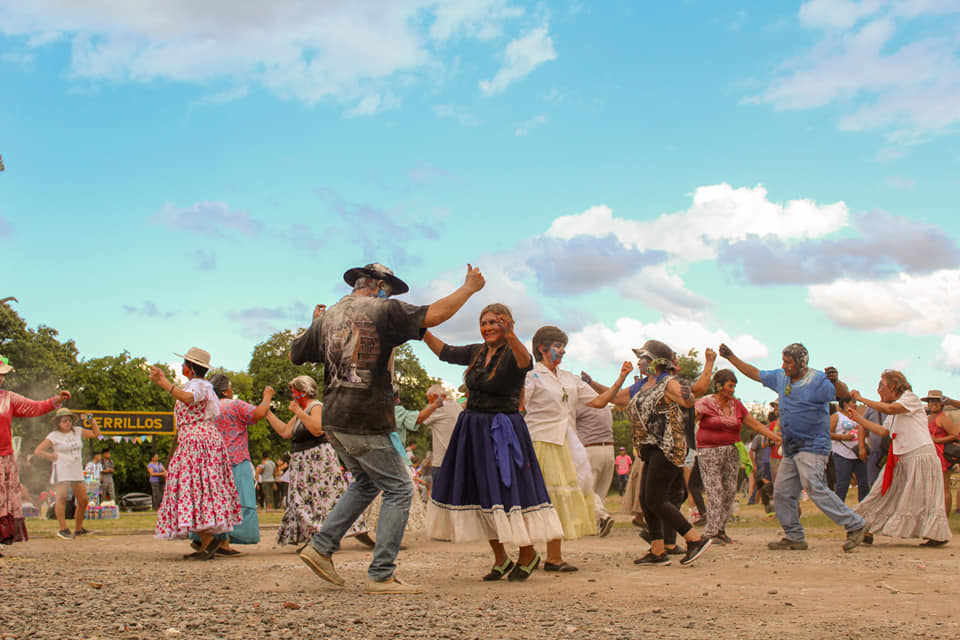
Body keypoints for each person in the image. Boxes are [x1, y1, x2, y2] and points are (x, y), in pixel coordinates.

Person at [290, 262, 484, 594]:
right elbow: (433, 315)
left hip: (334, 417)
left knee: (366, 483)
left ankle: (321, 547)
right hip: (365, 415)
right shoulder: (383, 309)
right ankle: (381, 573)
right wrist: (468, 288)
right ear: (379, 286)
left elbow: (296, 353)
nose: (389, 295)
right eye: (388, 289)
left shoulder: (330, 316)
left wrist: (316, 326)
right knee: (400, 489)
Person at [424, 304, 565, 581]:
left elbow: (526, 362)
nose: (489, 327)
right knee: (479, 492)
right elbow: (446, 352)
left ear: (508, 324)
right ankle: (500, 558)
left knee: (507, 491)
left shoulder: (514, 351)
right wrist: (421, 329)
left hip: (503, 430)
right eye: (484, 322)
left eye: (495, 322)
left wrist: (511, 334)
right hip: (472, 430)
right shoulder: (477, 351)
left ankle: (527, 552)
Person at [719, 342, 866, 552]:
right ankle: (794, 536)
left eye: (788, 362)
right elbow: (755, 373)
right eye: (783, 361)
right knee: (782, 492)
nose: (784, 365)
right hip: (791, 447)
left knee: (815, 488)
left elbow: (842, 394)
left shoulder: (818, 381)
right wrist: (731, 357)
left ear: (801, 362)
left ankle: (855, 524)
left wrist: (836, 380)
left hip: (813, 446)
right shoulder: (781, 378)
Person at [521, 326, 632, 570]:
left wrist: (620, 379)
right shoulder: (531, 376)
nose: (562, 351)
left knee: (562, 495)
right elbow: (520, 405)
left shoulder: (569, 378)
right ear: (542, 348)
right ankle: (526, 553)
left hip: (565, 442)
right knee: (536, 496)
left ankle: (554, 556)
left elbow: (599, 401)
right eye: (557, 345)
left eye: (563, 346)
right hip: (539, 440)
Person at [603, 340, 714, 567]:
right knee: (646, 499)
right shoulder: (645, 385)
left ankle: (694, 539)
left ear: (654, 361)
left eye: (642, 358)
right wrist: (589, 384)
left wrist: (706, 369)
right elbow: (616, 398)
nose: (638, 362)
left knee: (658, 498)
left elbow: (692, 395)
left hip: (668, 446)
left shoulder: (668, 382)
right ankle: (657, 551)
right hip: (651, 447)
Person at [148, 347, 241, 560]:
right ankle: (207, 542)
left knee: (191, 487)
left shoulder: (198, 386)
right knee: (198, 488)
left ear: (189, 368)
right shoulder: (201, 386)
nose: (182, 367)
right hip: (200, 439)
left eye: (184, 364)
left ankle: (210, 540)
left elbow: (189, 399)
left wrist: (163, 382)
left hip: (197, 441)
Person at [266, 375, 374, 549]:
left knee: (321, 497)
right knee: (304, 498)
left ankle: (322, 537)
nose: (293, 395)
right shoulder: (303, 410)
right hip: (302, 460)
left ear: (304, 392)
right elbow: (286, 432)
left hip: (317, 459)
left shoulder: (315, 407)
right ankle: (318, 536)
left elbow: (317, 429)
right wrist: (268, 414)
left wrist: (298, 412)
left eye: (295, 392)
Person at [846, 372, 952, 546]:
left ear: (893, 386)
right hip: (902, 458)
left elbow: (889, 409)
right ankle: (864, 526)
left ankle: (936, 534)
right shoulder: (896, 410)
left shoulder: (910, 399)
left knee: (925, 497)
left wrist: (861, 398)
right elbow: (882, 431)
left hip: (920, 455)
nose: (879, 390)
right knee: (883, 492)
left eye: (881, 385)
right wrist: (857, 418)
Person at [188, 374, 274, 555]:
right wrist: (267, 397)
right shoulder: (235, 405)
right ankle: (223, 543)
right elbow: (258, 414)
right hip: (236, 460)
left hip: (212, 461)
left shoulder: (206, 408)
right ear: (226, 390)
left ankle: (218, 541)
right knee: (237, 502)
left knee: (216, 503)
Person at [695, 369, 781, 544]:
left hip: (731, 451)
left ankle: (721, 530)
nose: (732, 389)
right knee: (715, 490)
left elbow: (754, 424)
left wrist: (774, 436)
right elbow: (689, 421)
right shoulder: (705, 403)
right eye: (730, 386)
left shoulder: (737, 405)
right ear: (719, 386)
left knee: (728, 490)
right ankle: (711, 531)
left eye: (734, 386)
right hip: (709, 451)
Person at [1, 352, 68, 554]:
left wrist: (56, 401)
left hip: (3, 456)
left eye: (3, 375)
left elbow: (34, 407)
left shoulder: (9, 398)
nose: (2, 378)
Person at [33, 409, 102, 539]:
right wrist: (50, 456)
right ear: (58, 423)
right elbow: (38, 451)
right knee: (62, 497)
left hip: (76, 468)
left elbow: (96, 434)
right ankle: (63, 529)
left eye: (69, 420)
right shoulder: (54, 435)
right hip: (62, 468)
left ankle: (78, 528)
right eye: (64, 421)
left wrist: (92, 421)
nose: (67, 423)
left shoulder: (77, 431)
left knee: (83, 500)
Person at [577, 372, 618, 536]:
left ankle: (602, 516)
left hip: (590, 449)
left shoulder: (582, 404)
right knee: (600, 491)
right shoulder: (605, 404)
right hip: (609, 449)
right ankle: (595, 525)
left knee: (586, 489)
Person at [420, 384, 462, 500]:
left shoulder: (438, 408)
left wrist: (432, 406)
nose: (429, 404)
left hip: (441, 462)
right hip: (458, 461)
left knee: (439, 502)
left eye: (429, 400)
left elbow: (419, 419)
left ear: (434, 396)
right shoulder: (457, 407)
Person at [920, 390, 959, 516]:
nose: (934, 404)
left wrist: (938, 440)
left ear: (941, 403)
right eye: (931, 401)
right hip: (929, 454)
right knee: (930, 487)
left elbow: (955, 435)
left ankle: (945, 517)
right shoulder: (927, 418)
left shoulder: (944, 418)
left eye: (936, 401)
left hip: (940, 455)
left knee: (944, 487)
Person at [830, 397, 869, 504]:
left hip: (859, 454)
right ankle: (839, 510)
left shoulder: (857, 417)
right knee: (843, 484)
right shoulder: (837, 416)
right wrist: (843, 437)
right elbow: (827, 433)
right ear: (845, 403)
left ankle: (863, 507)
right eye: (853, 402)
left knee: (864, 483)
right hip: (842, 454)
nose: (855, 405)